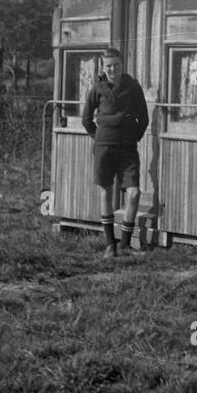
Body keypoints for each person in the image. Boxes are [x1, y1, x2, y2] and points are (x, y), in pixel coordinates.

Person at [82, 48, 150, 257]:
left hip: (127, 147)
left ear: (122, 65)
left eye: (117, 65)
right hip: (104, 147)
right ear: (103, 67)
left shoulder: (133, 87)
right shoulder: (97, 89)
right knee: (106, 192)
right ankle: (110, 245)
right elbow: (86, 119)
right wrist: (99, 138)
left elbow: (144, 119)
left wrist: (133, 137)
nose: (113, 69)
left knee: (134, 192)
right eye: (109, 66)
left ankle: (126, 244)